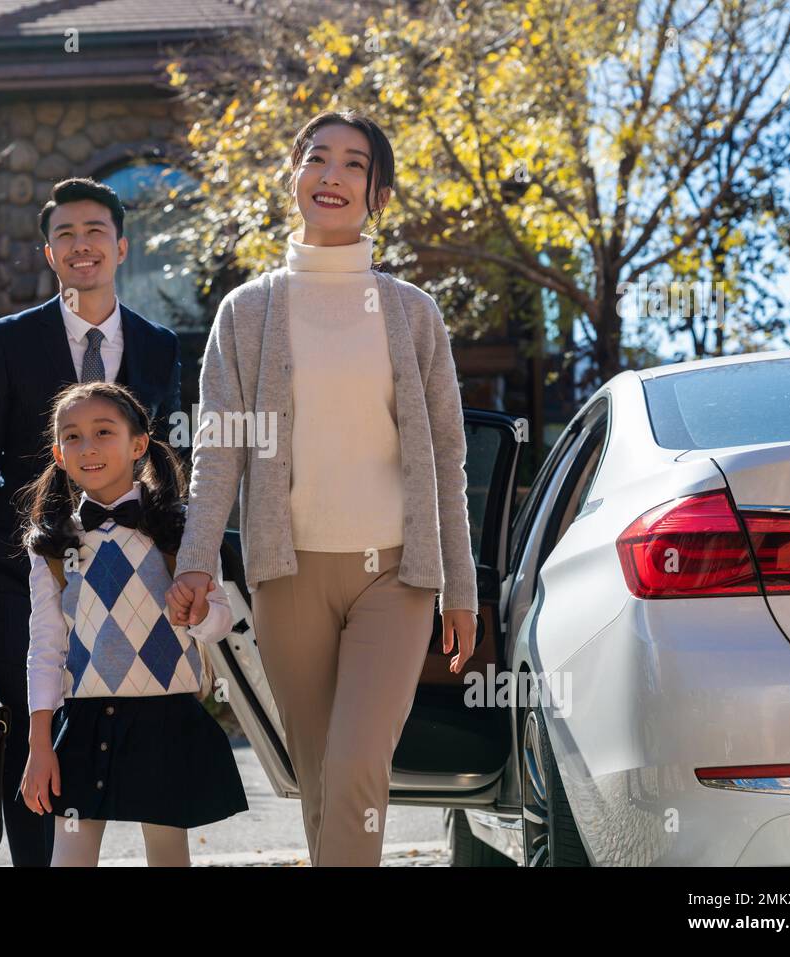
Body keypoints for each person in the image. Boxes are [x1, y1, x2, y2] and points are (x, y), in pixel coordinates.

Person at [166, 109, 481, 866]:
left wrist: (461, 586)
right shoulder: (247, 311)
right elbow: (219, 448)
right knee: (318, 780)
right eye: (317, 158)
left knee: (356, 769)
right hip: (287, 575)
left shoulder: (412, 313)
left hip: (396, 576)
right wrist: (196, 559)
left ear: (378, 194)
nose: (331, 175)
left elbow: (447, 456)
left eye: (353, 164)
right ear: (294, 177)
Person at [0, 177, 186, 867]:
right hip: (16, 573)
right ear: (50, 253)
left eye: (95, 232)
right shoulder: (6, 341)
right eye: (66, 235)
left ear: (121, 247)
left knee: (127, 727)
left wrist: (187, 560)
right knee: (30, 729)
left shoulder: (159, 345)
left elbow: (170, 463)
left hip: (133, 575)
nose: (82, 246)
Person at [15, 380, 248, 866]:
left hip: (165, 718)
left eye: (104, 431)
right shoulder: (52, 545)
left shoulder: (184, 530)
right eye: (72, 436)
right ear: (58, 454)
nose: (88, 446)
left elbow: (220, 622)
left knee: (167, 853)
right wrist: (39, 743)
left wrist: (200, 613)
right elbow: (45, 647)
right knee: (70, 856)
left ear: (138, 444)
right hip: (82, 721)